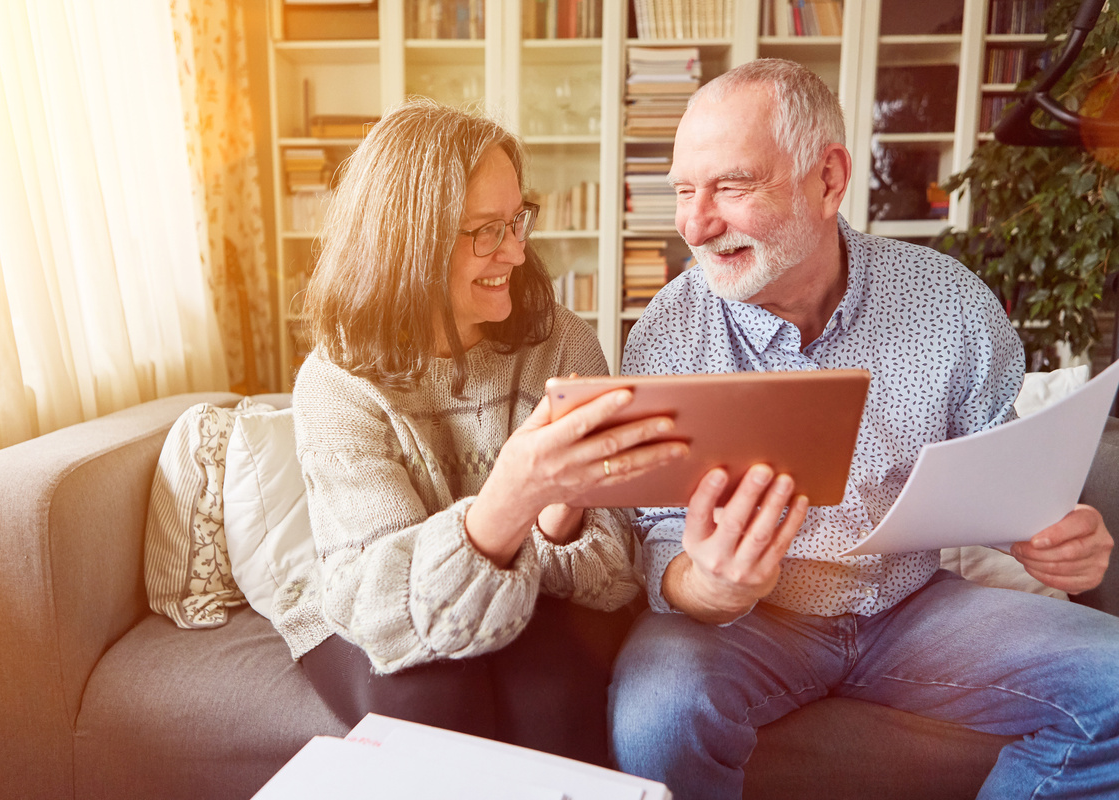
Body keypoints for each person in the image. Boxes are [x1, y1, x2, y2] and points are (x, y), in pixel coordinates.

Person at [609, 58, 1119, 798]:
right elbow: (652, 529)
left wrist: (1046, 533)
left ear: (827, 178)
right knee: (658, 720)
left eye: (731, 185)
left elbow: (999, 470)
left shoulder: (948, 301)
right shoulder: (667, 334)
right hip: (745, 624)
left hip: (911, 608)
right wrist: (701, 586)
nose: (695, 223)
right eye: (685, 192)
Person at [271, 98, 687, 767]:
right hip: (373, 608)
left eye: (518, 220)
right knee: (430, 701)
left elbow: (616, 578)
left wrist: (558, 518)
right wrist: (510, 498)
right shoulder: (336, 381)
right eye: (486, 231)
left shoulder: (562, 345)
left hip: (535, 596)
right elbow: (383, 609)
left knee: (554, 695)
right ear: (410, 240)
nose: (517, 253)